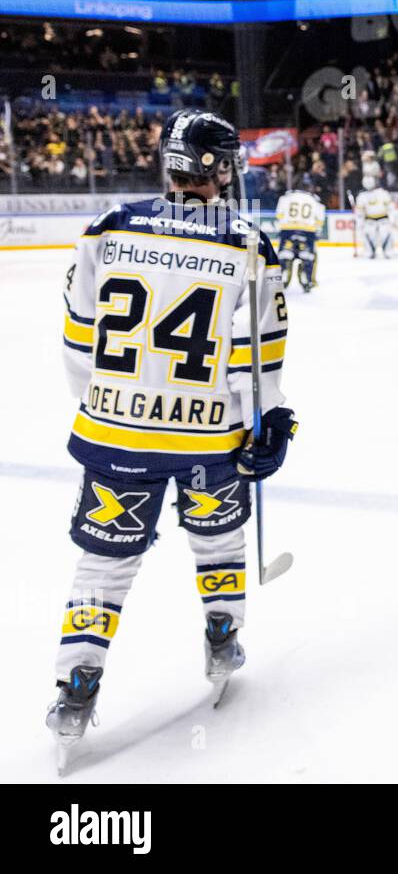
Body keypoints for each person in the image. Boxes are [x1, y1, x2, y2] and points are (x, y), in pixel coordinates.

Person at [46, 108, 296, 764]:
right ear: (216, 168)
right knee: (219, 539)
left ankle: (77, 685)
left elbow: (78, 342)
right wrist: (271, 418)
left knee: (104, 562)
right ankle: (222, 634)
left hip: (113, 431)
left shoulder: (108, 225)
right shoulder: (245, 241)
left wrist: (112, 406)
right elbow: (262, 354)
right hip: (205, 438)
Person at [275, 182, 326, 292]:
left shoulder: (285, 197)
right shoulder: (315, 200)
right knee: (309, 257)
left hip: (287, 231)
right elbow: (320, 221)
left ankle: (283, 273)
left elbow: (279, 215)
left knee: (283, 254)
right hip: (307, 232)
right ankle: (306, 278)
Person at [354, 176, 395, 258]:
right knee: (368, 234)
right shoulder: (361, 196)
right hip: (369, 219)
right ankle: (369, 252)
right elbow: (359, 212)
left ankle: (388, 251)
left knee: (385, 234)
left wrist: (392, 218)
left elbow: (391, 207)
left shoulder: (383, 193)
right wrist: (359, 222)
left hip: (383, 218)